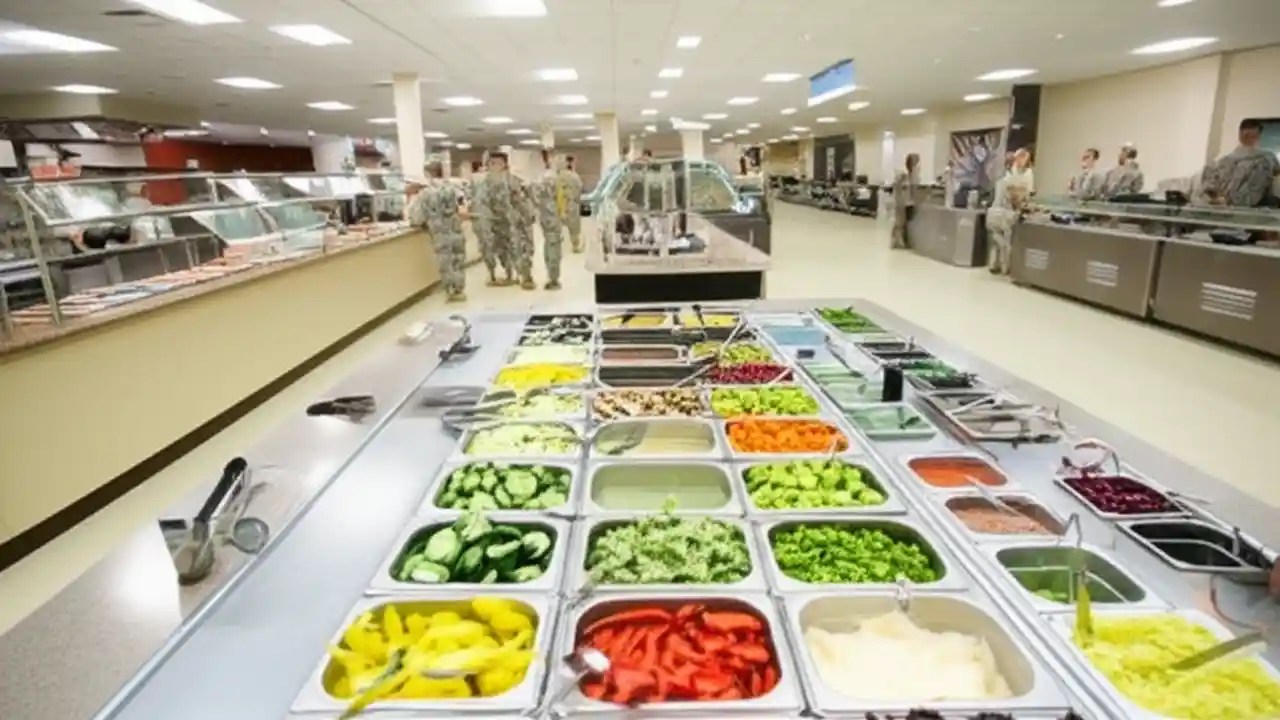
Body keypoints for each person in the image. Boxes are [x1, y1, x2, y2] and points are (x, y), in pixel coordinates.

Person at [409, 164, 470, 302]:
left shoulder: (425, 194)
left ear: (427, 174)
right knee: (458, 259)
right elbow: (463, 209)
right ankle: (460, 288)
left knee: (446, 262)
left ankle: (451, 290)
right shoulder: (454, 189)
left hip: (440, 233)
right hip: (456, 229)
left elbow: (417, 217)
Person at [1205, 118, 1280, 208]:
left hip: (1221, 212)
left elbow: (1210, 190)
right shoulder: (1267, 159)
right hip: (1251, 214)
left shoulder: (1221, 161)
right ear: (1258, 136)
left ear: (1239, 135)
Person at [986, 148, 1034, 275]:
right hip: (1005, 213)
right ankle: (1005, 267)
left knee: (997, 241)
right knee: (1005, 242)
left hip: (995, 212)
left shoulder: (1003, 176)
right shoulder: (1013, 178)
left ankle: (994, 264)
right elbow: (1018, 197)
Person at [477, 150, 521, 286]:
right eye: (491, 163)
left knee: (507, 248)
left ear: (504, 165)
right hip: (490, 221)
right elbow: (481, 200)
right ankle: (492, 275)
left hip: (506, 220)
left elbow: (518, 199)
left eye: (497, 163)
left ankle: (510, 274)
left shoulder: (511, 180)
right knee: (489, 248)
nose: (494, 166)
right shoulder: (485, 181)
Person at [533, 149, 565, 290]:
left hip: (548, 216)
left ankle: (552, 277)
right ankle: (553, 278)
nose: (562, 162)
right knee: (553, 248)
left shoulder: (545, 177)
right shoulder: (550, 178)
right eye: (559, 158)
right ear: (550, 159)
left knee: (550, 245)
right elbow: (553, 200)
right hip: (551, 217)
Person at [889, 153, 920, 249]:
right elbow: (897, 186)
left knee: (905, 223)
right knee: (899, 222)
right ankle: (894, 241)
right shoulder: (903, 174)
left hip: (909, 201)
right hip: (901, 201)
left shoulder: (913, 174)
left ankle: (903, 241)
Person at [557, 155, 584, 253]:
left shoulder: (559, 176)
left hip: (561, 204)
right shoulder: (575, 176)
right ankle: (575, 246)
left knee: (559, 226)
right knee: (574, 228)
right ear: (572, 163)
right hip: (572, 204)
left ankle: (558, 247)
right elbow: (579, 190)